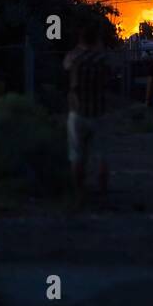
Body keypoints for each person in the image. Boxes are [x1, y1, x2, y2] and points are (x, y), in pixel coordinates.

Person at [63, 24, 112, 196]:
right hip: (99, 112)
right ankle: (103, 192)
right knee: (102, 155)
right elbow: (110, 76)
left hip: (77, 112)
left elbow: (66, 66)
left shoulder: (74, 58)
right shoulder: (102, 59)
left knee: (77, 154)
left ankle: (78, 192)